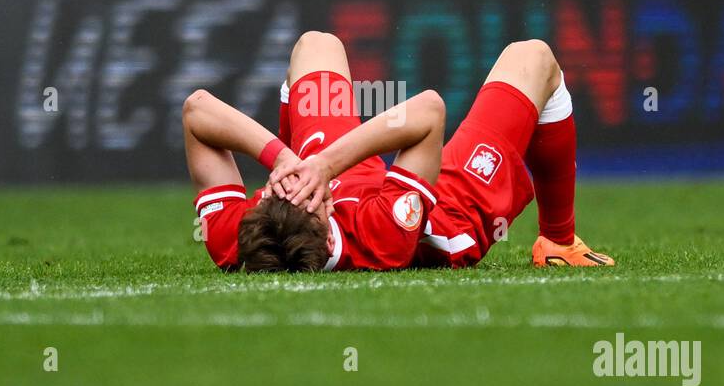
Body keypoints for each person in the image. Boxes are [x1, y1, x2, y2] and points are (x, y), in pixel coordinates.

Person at [183, 31, 614, 271]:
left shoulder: (235, 236)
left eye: (276, 190)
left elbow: (197, 110)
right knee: (534, 57)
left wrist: (283, 159)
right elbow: (428, 113)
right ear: (328, 229)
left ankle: (306, 161)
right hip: (442, 212)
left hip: (339, 173)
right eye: (306, 193)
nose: (292, 186)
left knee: (316, 45)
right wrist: (324, 165)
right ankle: (558, 241)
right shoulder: (380, 233)